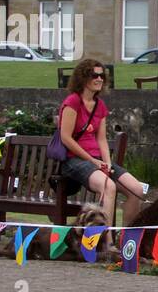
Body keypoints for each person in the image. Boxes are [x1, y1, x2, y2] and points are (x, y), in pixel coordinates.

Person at [58, 58, 145, 225]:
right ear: (82, 78)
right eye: (94, 75)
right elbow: (66, 138)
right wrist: (92, 161)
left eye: (101, 76)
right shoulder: (72, 102)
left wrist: (107, 163)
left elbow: (101, 139)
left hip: (97, 160)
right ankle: (106, 243)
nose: (99, 79)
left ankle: (126, 241)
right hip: (74, 160)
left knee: (137, 190)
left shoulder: (100, 105)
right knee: (108, 187)